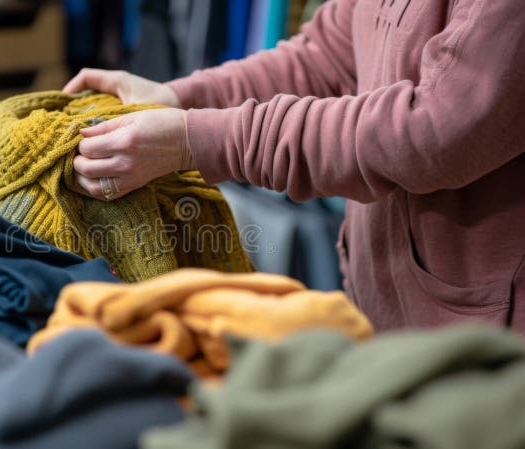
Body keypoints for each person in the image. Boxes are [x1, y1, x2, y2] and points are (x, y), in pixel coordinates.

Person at [63, 0, 525, 332]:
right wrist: (181, 97)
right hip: (387, 311)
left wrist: (199, 140)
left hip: (490, 342)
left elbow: (432, 131)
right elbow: (325, 58)